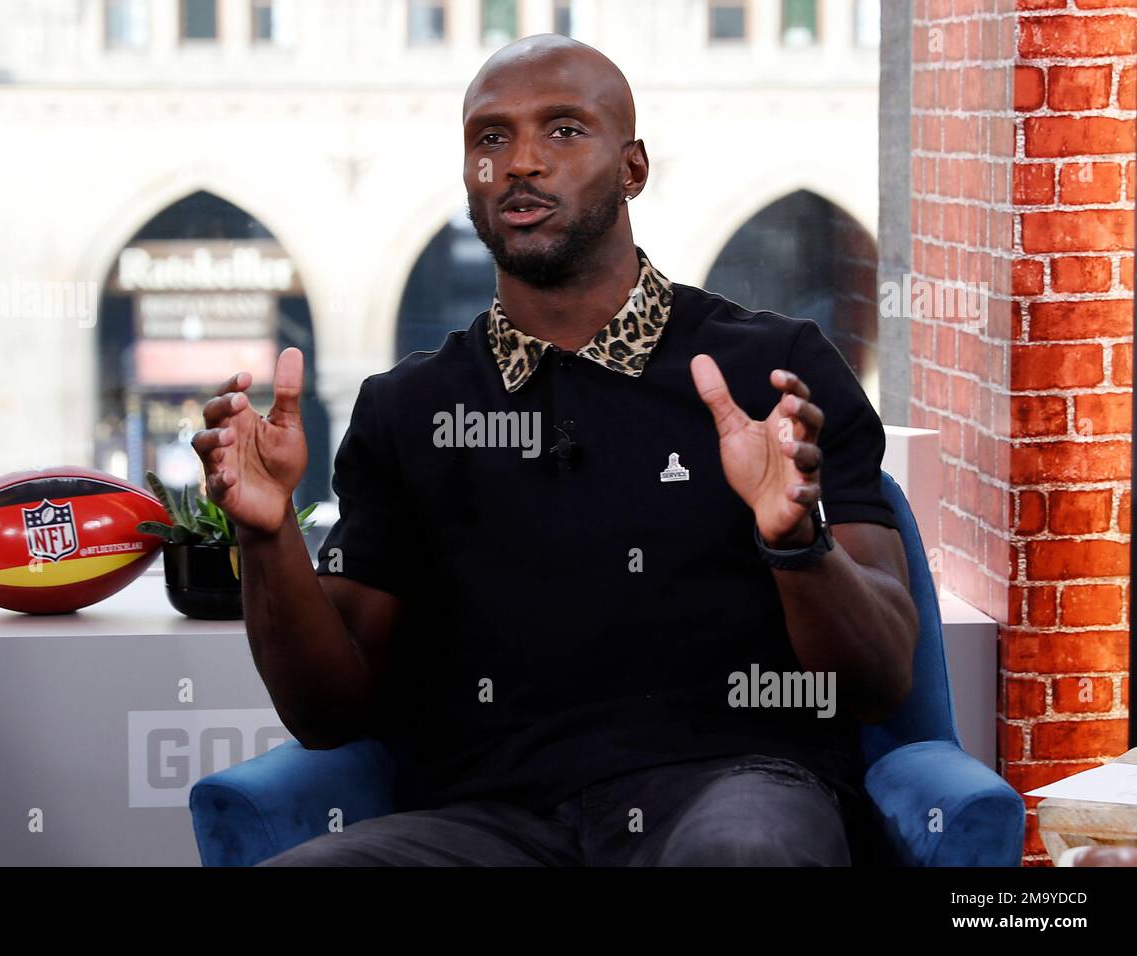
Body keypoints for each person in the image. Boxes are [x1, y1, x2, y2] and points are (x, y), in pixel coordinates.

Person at [191, 33, 920, 866]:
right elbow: (327, 712)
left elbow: (882, 678)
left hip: (733, 787)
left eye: (564, 131)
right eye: (491, 139)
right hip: (488, 821)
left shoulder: (774, 370)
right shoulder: (407, 408)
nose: (522, 163)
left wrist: (796, 545)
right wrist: (266, 530)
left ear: (633, 168)